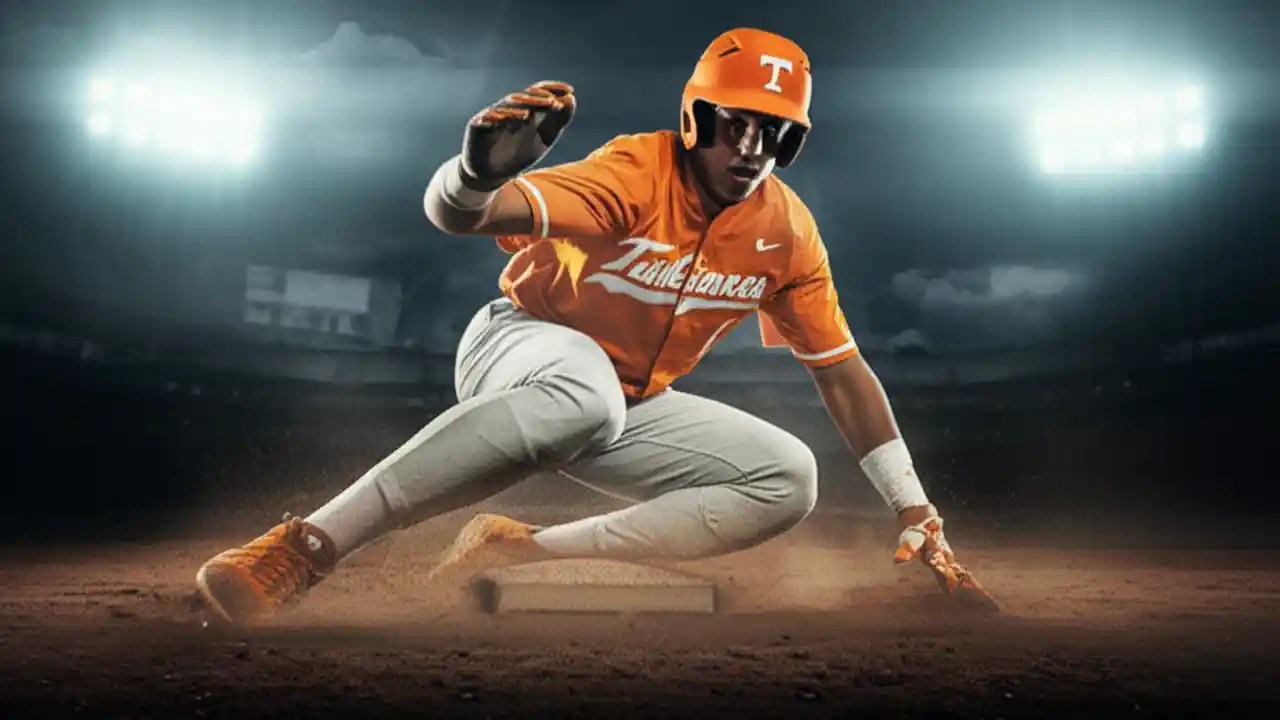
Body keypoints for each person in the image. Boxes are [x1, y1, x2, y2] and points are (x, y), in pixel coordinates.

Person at [194, 27, 997, 625]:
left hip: (624, 401)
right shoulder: (635, 171)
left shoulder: (788, 231)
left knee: (788, 478)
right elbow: (461, 216)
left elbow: (840, 368)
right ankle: (305, 548)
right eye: (736, 122)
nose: (753, 146)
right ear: (696, 118)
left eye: (777, 131)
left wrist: (912, 505)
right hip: (518, 344)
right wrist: (472, 174)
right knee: (584, 393)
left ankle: (520, 545)